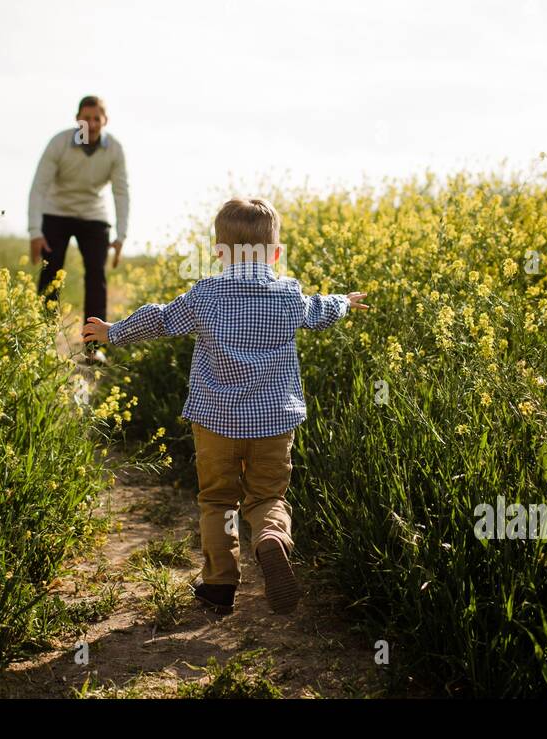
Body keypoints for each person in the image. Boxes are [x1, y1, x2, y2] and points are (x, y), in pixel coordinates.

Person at [81, 197, 369, 614]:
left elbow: (160, 319)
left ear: (219, 252)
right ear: (275, 253)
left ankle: (219, 586)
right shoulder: (288, 295)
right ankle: (271, 538)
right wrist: (344, 300)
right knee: (268, 496)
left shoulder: (207, 294)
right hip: (273, 423)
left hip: (216, 423)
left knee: (218, 501)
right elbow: (320, 311)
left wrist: (115, 332)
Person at [27, 95, 129, 362]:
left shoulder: (115, 150)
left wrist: (121, 236)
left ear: (105, 121)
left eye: (97, 119)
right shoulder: (59, 143)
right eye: (86, 118)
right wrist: (35, 231)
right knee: (51, 275)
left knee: (97, 278)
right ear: (77, 119)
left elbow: (121, 192)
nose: (91, 124)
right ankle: (43, 343)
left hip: (93, 215)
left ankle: (93, 349)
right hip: (56, 213)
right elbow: (39, 186)